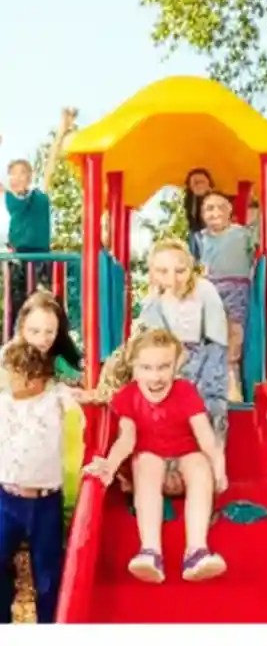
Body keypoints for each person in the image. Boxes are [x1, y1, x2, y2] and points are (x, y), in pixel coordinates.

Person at [83, 329, 227, 583]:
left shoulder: (185, 392)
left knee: (199, 462)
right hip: (150, 470)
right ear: (135, 369)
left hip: (183, 466)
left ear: (176, 366)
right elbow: (126, 439)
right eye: (147, 368)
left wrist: (219, 468)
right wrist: (110, 465)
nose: (156, 376)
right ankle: (150, 551)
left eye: (164, 367)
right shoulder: (128, 397)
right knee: (147, 460)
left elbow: (205, 436)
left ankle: (196, 551)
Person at [0, 341, 87, 621]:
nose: (13, 382)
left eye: (18, 375)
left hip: (45, 500)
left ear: (37, 378)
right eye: (10, 374)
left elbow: (85, 395)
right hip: (7, 497)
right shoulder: (3, 402)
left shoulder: (55, 397)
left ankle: (50, 626)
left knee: (48, 572)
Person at [136, 239, 230, 444]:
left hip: (203, 363)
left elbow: (217, 343)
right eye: (163, 271)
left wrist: (204, 387)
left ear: (191, 269)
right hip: (169, 364)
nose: (173, 279)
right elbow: (149, 345)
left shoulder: (204, 290)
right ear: (152, 273)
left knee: (208, 412)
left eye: (180, 271)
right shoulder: (152, 303)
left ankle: (212, 466)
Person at [2, 109, 74, 335]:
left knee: (49, 302)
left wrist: (62, 129)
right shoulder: (9, 196)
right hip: (19, 257)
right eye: (13, 174)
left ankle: (60, 345)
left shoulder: (40, 195)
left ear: (29, 177)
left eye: (22, 173)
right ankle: (14, 343)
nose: (17, 177)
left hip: (41, 257)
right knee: (18, 303)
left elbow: (51, 161)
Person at [194, 192, 256, 401]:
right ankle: (206, 381)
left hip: (237, 288)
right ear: (202, 215)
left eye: (220, 207)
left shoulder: (242, 233)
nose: (215, 212)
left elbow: (259, 244)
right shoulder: (201, 238)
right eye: (209, 209)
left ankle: (231, 381)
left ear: (230, 211)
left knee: (234, 333)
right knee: (208, 334)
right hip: (211, 288)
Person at [0, 291, 83, 389]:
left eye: (49, 332)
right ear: (22, 327)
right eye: (35, 331)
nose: (43, 339)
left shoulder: (59, 357)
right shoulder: (8, 359)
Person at [182, 168, 215, 260]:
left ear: (209, 184)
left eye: (202, 182)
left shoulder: (218, 200)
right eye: (196, 182)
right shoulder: (185, 200)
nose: (199, 185)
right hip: (193, 237)